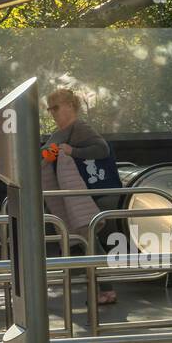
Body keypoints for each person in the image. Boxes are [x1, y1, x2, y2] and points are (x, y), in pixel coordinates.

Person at [43, 88, 119, 305]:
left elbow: (102, 149)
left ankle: (106, 288)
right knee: (82, 240)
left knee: (88, 239)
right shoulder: (62, 132)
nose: (52, 112)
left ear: (70, 105)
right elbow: (47, 156)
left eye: (55, 107)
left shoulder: (79, 128)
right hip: (74, 195)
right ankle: (98, 286)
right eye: (50, 109)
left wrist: (72, 151)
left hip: (86, 195)